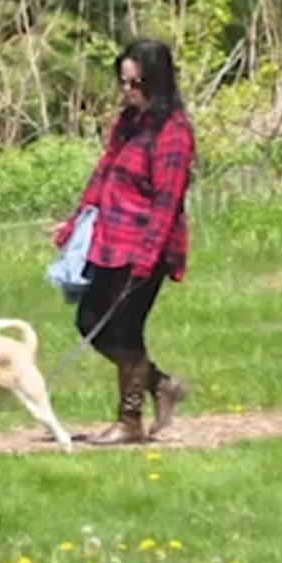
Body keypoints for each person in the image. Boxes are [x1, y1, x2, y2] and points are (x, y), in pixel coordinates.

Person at [53, 39, 195, 444]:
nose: (127, 91)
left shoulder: (175, 132)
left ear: (157, 82)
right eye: (124, 82)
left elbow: (168, 201)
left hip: (146, 246)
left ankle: (129, 422)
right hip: (109, 241)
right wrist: (74, 223)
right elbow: (104, 173)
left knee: (125, 329)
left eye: (135, 83)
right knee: (90, 321)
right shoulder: (128, 122)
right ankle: (162, 384)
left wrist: (148, 257)